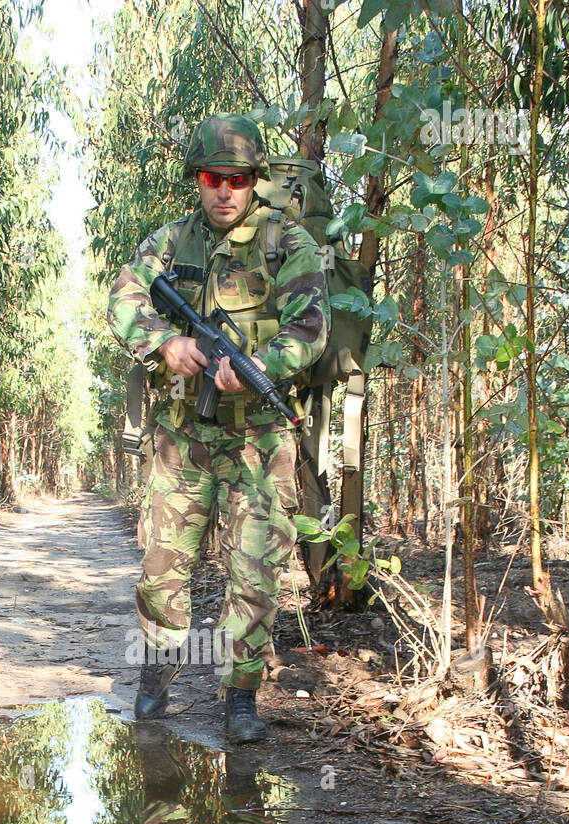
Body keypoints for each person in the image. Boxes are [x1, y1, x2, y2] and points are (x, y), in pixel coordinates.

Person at [107, 112, 330, 742]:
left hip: (260, 439)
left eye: (237, 179)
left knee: (256, 569)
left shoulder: (289, 244)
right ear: (197, 180)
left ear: (254, 180)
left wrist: (261, 364)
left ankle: (240, 696)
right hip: (183, 436)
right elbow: (122, 299)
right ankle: (158, 669)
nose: (225, 191)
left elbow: (311, 326)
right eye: (213, 178)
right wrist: (165, 343)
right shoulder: (170, 243)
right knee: (162, 564)